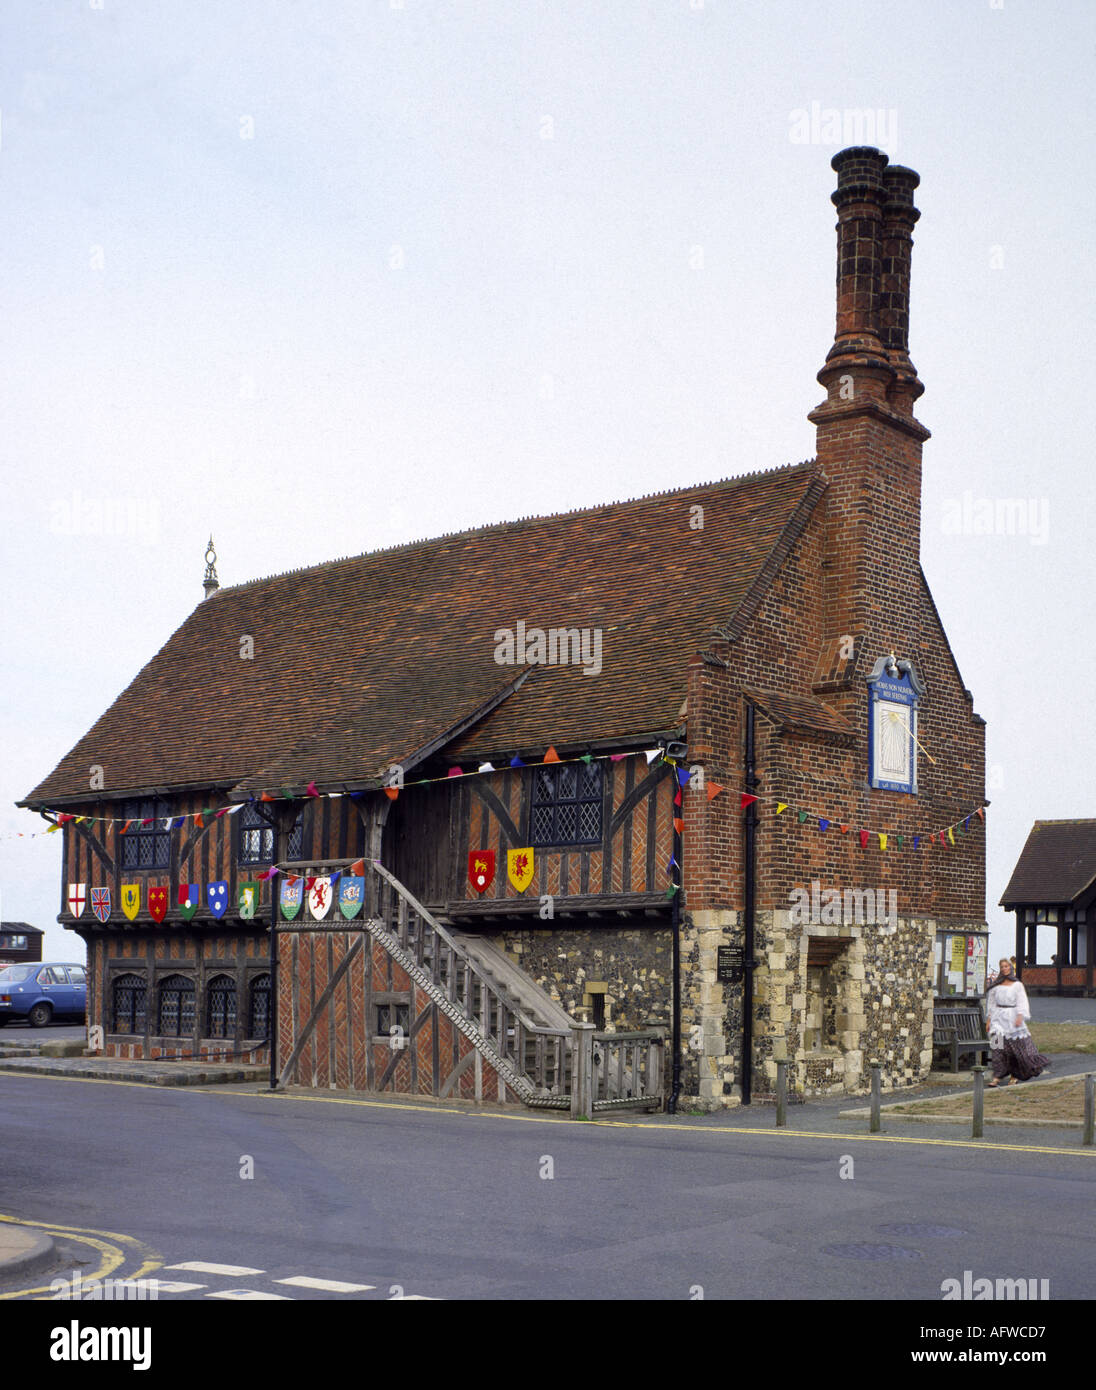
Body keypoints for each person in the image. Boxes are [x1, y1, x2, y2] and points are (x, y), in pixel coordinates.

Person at [984, 959, 1050, 1086]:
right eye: (1002, 967)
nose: (1004, 969)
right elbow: (991, 1004)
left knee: (1015, 1049)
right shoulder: (996, 986)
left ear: (1010, 968)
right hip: (998, 1019)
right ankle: (997, 1076)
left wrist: (1020, 1015)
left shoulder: (1017, 985)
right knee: (997, 1048)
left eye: (1006, 966)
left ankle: (1015, 1075)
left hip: (1012, 1017)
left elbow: (1022, 1001)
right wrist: (989, 1020)